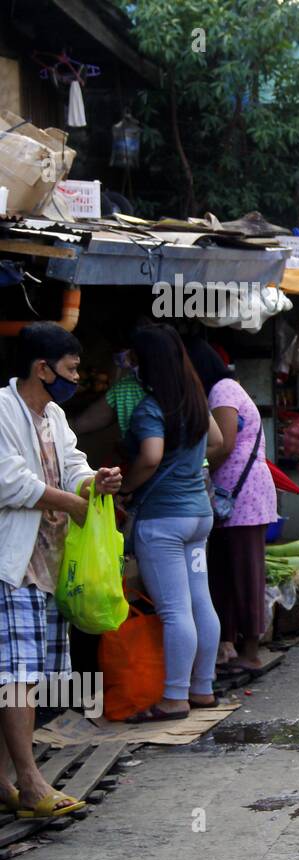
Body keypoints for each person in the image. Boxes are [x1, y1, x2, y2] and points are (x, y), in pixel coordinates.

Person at [0, 323, 120, 818]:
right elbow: (8, 481)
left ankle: (5, 778)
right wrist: (71, 501)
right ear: (41, 368)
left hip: (47, 560)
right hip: (12, 562)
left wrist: (94, 481)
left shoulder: (52, 413)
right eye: (70, 370)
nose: (76, 378)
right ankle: (30, 782)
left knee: (27, 674)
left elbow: (70, 464)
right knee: (17, 676)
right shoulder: (2, 410)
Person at [120, 325, 225, 720]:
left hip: (163, 520)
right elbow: (215, 441)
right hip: (199, 516)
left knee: (174, 609)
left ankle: (174, 698)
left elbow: (149, 456)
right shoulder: (194, 400)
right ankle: (202, 689)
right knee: (200, 601)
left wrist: (126, 488)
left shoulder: (151, 407)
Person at [185, 338, 278, 674]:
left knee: (245, 574)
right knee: (224, 574)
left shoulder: (222, 390)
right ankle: (229, 646)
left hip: (243, 497)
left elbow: (222, 444)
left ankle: (250, 650)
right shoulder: (223, 389)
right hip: (233, 495)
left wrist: (181, 462)